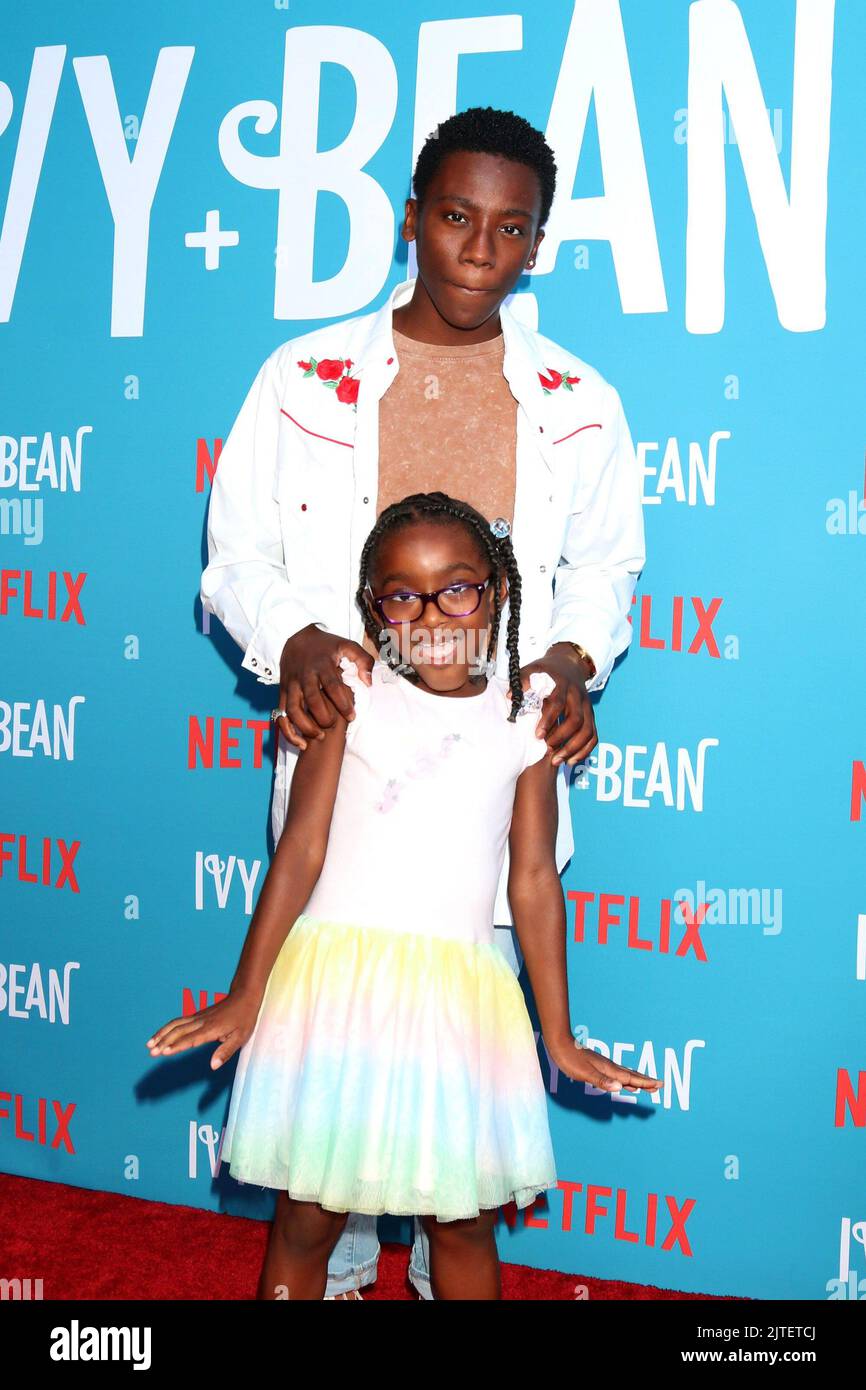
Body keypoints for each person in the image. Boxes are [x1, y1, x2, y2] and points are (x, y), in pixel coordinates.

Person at [198, 106, 646, 1298]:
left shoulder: (579, 399)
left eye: (509, 231)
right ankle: (341, 1260)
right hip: (350, 771)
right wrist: (290, 634)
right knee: (325, 1133)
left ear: (535, 244)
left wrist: (563, 660)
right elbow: (234, 551)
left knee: (453, 1115)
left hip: (484, 784)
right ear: (411, 219)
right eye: (454, 219)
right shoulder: (303, 376)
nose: (476, 253)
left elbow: (606, 570)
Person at [146, 494, 661, 1301]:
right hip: (331, 993)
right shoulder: (348, 694)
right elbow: (301, 850)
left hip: (461, 1001)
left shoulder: (529, 720)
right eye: (402, 594)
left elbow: (531, 879)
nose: (433, 617)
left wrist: (557, 1035)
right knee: (309, 1214)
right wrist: (247, 995)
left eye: (457, 587)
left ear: (497, 589)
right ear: (372, 608)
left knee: (461, 1221)